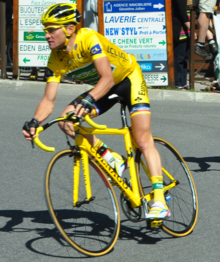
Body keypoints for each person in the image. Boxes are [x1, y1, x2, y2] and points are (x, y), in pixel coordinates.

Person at [22, 3, 170, 220]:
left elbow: (107, 78)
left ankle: (159, 199)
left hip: (129, 80)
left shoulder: (89, 38)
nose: (47, 35)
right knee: (66, 121)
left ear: (70, 29)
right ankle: (113, 159)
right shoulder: (56, 57)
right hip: (105, 89)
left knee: (142, 139)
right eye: (45, 29)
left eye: (51, 29)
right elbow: (48, 99)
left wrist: (90, 98)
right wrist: (35, 121)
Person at [172, 0, 194, 90]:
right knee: (179, 58)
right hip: (181, 30)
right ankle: (178, 83)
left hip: (188, 31)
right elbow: (182, 13)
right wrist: (192, 29)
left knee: (185, 58)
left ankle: (183, 82)